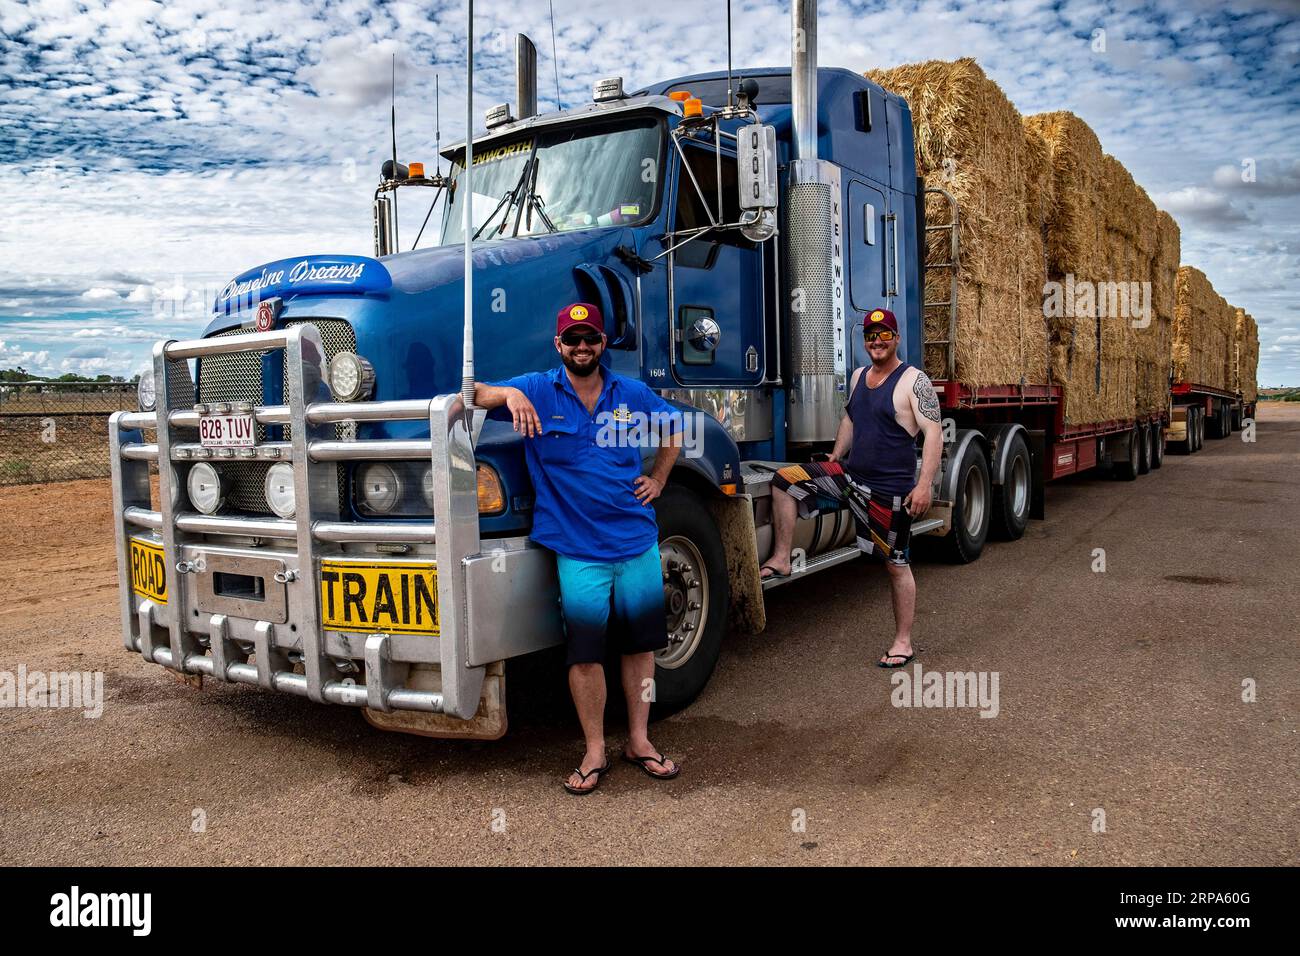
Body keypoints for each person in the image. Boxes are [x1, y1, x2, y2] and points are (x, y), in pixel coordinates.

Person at [473, 302, 684, 795]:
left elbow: (676, 428)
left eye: (591, 338)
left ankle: (639, 740)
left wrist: (658, 477)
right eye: (573, 339)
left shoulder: (629, 392)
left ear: (603, 344)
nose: (582, 346)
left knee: (641, 649)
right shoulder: (537, 389)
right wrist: (508, 394)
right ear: (558, 346)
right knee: (585, 655)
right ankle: (595, 750)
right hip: (578, 550)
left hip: (636, 541)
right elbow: (472, 394)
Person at [760, 308, 943, 668]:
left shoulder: (913, 381)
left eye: (884, 334)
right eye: (871, 336)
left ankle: (903, 642)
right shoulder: (860, 375)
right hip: (851, 480)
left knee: (895, 564)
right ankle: (782, 559)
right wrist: (835, 455)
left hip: (888, 491)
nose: (877, 341)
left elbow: (934, 435)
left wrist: (924, 487)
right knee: (786, 480)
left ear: (896, 338)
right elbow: (850, 419)